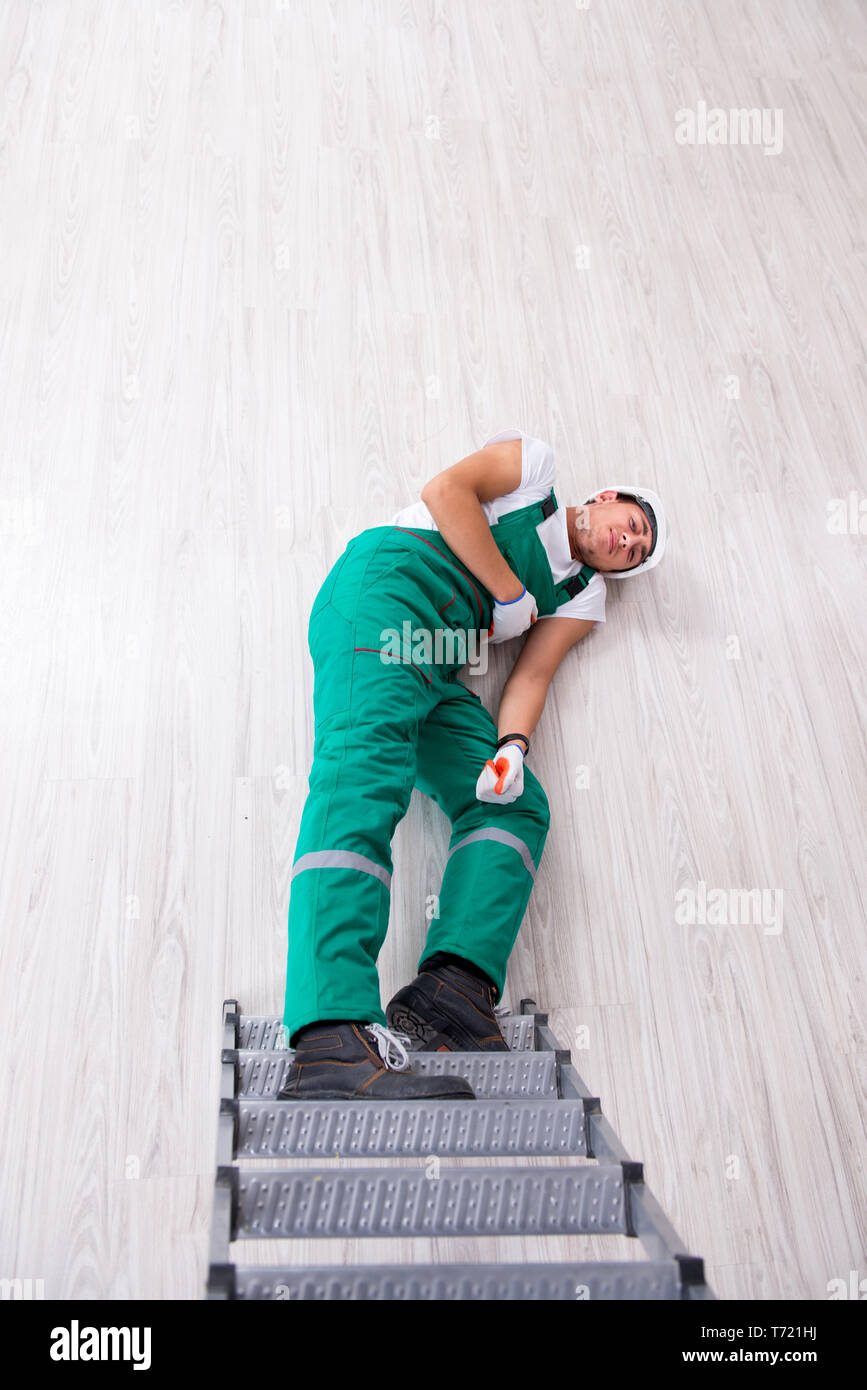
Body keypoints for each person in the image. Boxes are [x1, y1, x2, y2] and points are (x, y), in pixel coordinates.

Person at [278, 426, 668, 1100]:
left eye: (633, 552)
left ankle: (451, 989)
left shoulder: (580, 597)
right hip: (387, 597)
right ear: (606, 499)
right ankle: (328, 1029)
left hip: (434, 667)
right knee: (361, 780)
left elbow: (529, 678)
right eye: (630, 525)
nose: (625, 542)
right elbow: (445, 492)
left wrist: (511, 747)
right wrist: (508, 593)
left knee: (513, 805)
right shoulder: (534, 470)